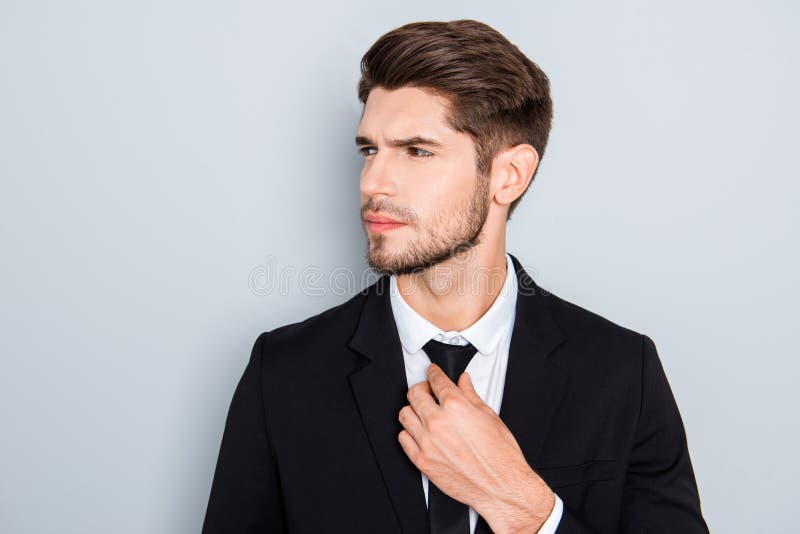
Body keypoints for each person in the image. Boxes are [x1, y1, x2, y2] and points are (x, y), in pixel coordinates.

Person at [201, 19, 708, 534]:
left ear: (510, 175)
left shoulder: (621, 373)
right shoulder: (283, 374)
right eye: (369, 150)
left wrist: (523, 507)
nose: (373, 182)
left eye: (417, 151)